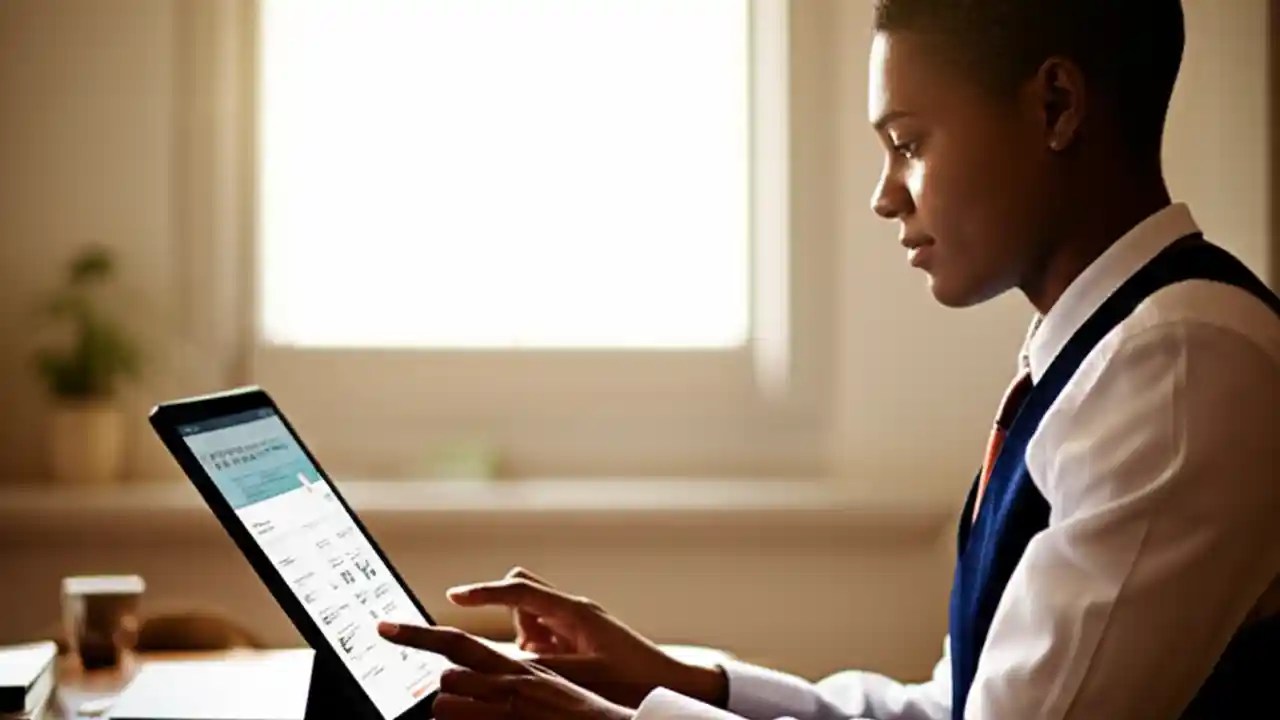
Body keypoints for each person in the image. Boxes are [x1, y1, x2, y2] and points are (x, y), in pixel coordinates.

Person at [377, 0, 1280, 717]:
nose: (886, 196)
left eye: (909, 144)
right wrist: (670, 681)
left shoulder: (1176, 365)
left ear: (1055, 106)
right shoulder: (1102, 353)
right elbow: (959, 708)